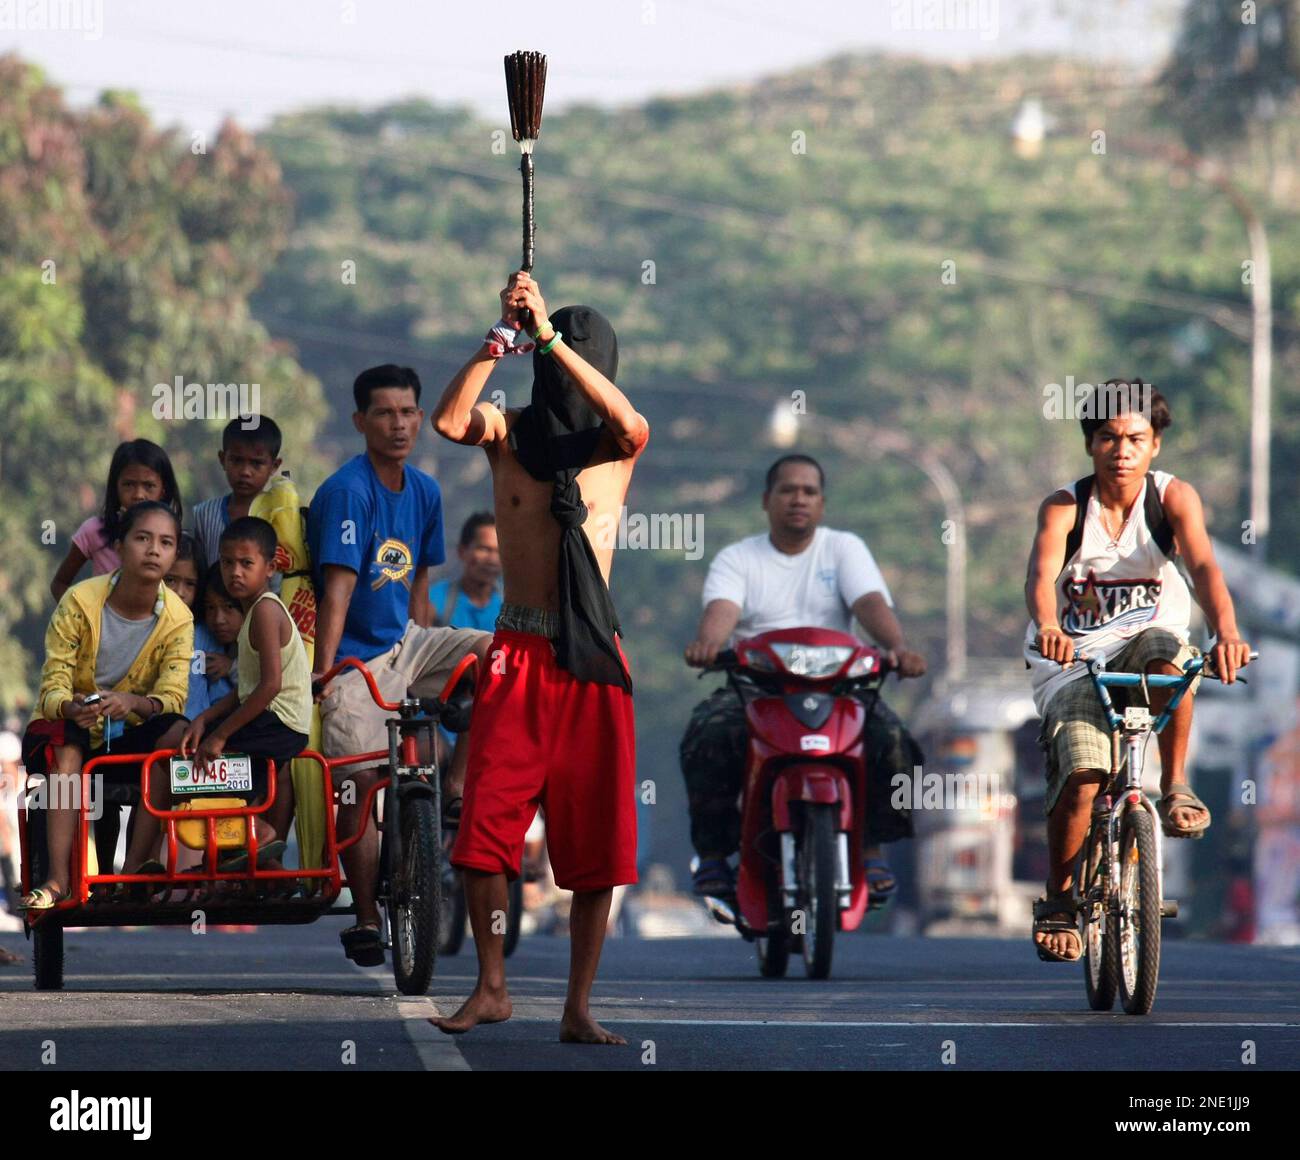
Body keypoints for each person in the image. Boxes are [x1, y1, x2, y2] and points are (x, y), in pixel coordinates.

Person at [429, 272, 647, 1044]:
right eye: (549, 363)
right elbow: (448, 419)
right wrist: (501, 338)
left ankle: (578, 1007)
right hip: (518, 655)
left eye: (570, 360)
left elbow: (633, 419)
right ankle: (492, 984)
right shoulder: (510, 434)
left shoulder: (614, 448)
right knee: (482, 834)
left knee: (597, 852)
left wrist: (552, 337)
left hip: (590, 657)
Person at [1023, 379, 1251, 962]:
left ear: (1154, 446)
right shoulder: (1066, 506)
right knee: (1082, 775)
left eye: (1135, 438)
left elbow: (1204, 568)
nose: (1121, 451)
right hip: (1073, 660)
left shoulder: (1173, 499)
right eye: (1108, 438)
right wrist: (1049, 625)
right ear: (1090, 445)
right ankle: (1061, 899)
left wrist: (1227, 632)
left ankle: (1174, 786)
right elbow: (1041, 576)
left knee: (1170, 653)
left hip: (1146, 645)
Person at [307, 365, 492, 966]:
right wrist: (325, 672)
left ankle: (458, 785)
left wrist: (432, 655)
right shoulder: (347, 491)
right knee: (357, 784)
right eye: (385, 413)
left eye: (409, 411)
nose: (400, 424)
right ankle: (364, 917)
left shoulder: (426, 491)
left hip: (407, 642)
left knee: (500, 653)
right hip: (353, 658)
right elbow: (337, 590)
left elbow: (419, 582)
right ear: (361, 422)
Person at [681, 454, 927, 905]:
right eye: (788, 490)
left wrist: (897, 648)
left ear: (822, 503)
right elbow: (721, 613)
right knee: (709, 731)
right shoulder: (738, 558)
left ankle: (871, 847)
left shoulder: (843, 549)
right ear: (766, 500)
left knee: (890, 737)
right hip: (758, 690)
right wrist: (706, 644)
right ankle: (714, 855)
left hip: (838, 690)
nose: (799, 499)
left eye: (809, 492)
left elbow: (870, 602)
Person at [17, 501, 193, 909]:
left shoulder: (180, 618)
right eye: (142, 538)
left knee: (177, 733)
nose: (153, 550)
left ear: (174, 554)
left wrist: (133, 702)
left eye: (165, 543)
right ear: (119, 545)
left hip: (128, 735)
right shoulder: (79, 601)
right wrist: (72, 706)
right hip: (72, 727)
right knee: (67, 745)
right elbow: (52, 686)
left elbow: (173, 696)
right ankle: (58, 881)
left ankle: (131, 873)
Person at [176, 517, 310, 871]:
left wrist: (219, 735)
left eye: (246, 564)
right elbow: (244, 690)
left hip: (281, 723)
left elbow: (270, 686)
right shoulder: (253, 612)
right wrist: (205, 719)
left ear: (270, 567)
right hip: (273, 720)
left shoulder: (265, 610)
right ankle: (249, 865)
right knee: (213, 758)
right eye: (227, 563)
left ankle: (258, 830)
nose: (235, 572)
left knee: (209, 763)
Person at [51, 440, 183, 600]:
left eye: (149, 486)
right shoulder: (95, 531)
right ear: (116, 487)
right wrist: (82, 618)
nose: (138, 495)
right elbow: (60, 583)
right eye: (129, 485)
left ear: (163, 491)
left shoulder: (170, 540)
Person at [190, 417, 284, 570]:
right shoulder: (204, 514)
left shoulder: (282, 516)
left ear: (274, 466)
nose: (245, 472)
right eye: (237, 460)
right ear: (222, 459)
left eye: (256, 463)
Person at [430, 513, 503, 632]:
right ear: (462, 551)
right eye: (484, 549)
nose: (492, 560)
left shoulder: (509, 606)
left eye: (499, 551)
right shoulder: (435, 600)